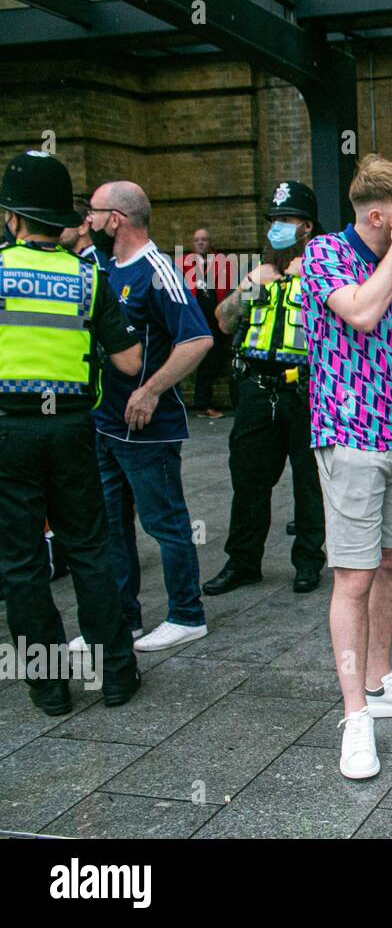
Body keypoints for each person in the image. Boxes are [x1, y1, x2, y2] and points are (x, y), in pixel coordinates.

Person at [301, 154, 392, 780]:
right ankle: (355, 710)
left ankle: (381, 678)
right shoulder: (324, 253)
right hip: (349, 434)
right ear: (383, 215)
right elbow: (361, 311)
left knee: (390, 564)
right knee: (353, 577)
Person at [0, 151, 144, 714]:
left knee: (22, 562)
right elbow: (130, 361)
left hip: (10, 430)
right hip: (73, 429)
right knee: (89, 549)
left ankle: (50, 686)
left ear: (13, 216)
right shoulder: (89, 277)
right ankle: (116, 675)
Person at [88, 179, 212, 652]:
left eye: (95, 212)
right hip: (106, 423)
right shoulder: (104, 266)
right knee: (112, 524)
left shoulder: (158, 270)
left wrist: (150, 391)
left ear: (116, 218)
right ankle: (125, 618)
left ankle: (187, 613)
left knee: (165, 522)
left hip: (146, 429)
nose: (89, 221)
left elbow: (197, 339)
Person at [202, 180, 327, 598]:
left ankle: (308, 562)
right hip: (256, 388)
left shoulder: (323, 269)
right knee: (249, 480)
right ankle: (243, 562)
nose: (276, 228)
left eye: (285, 220)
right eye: (272, 220)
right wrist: (252, 284)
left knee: (309, 482)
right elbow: (223, 320)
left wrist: (308, 278)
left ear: (306, 226)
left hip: (305, 390)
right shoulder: (258, 273)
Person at [186, 227, 232, 419]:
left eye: (204, 239)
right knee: (206, 360)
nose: (201, 243)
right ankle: (203, 403)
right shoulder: (185, 264)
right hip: (197, 319)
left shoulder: (222, 262)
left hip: (217, 318)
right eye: (197, 240)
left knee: (216, 358)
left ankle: (203, 402)